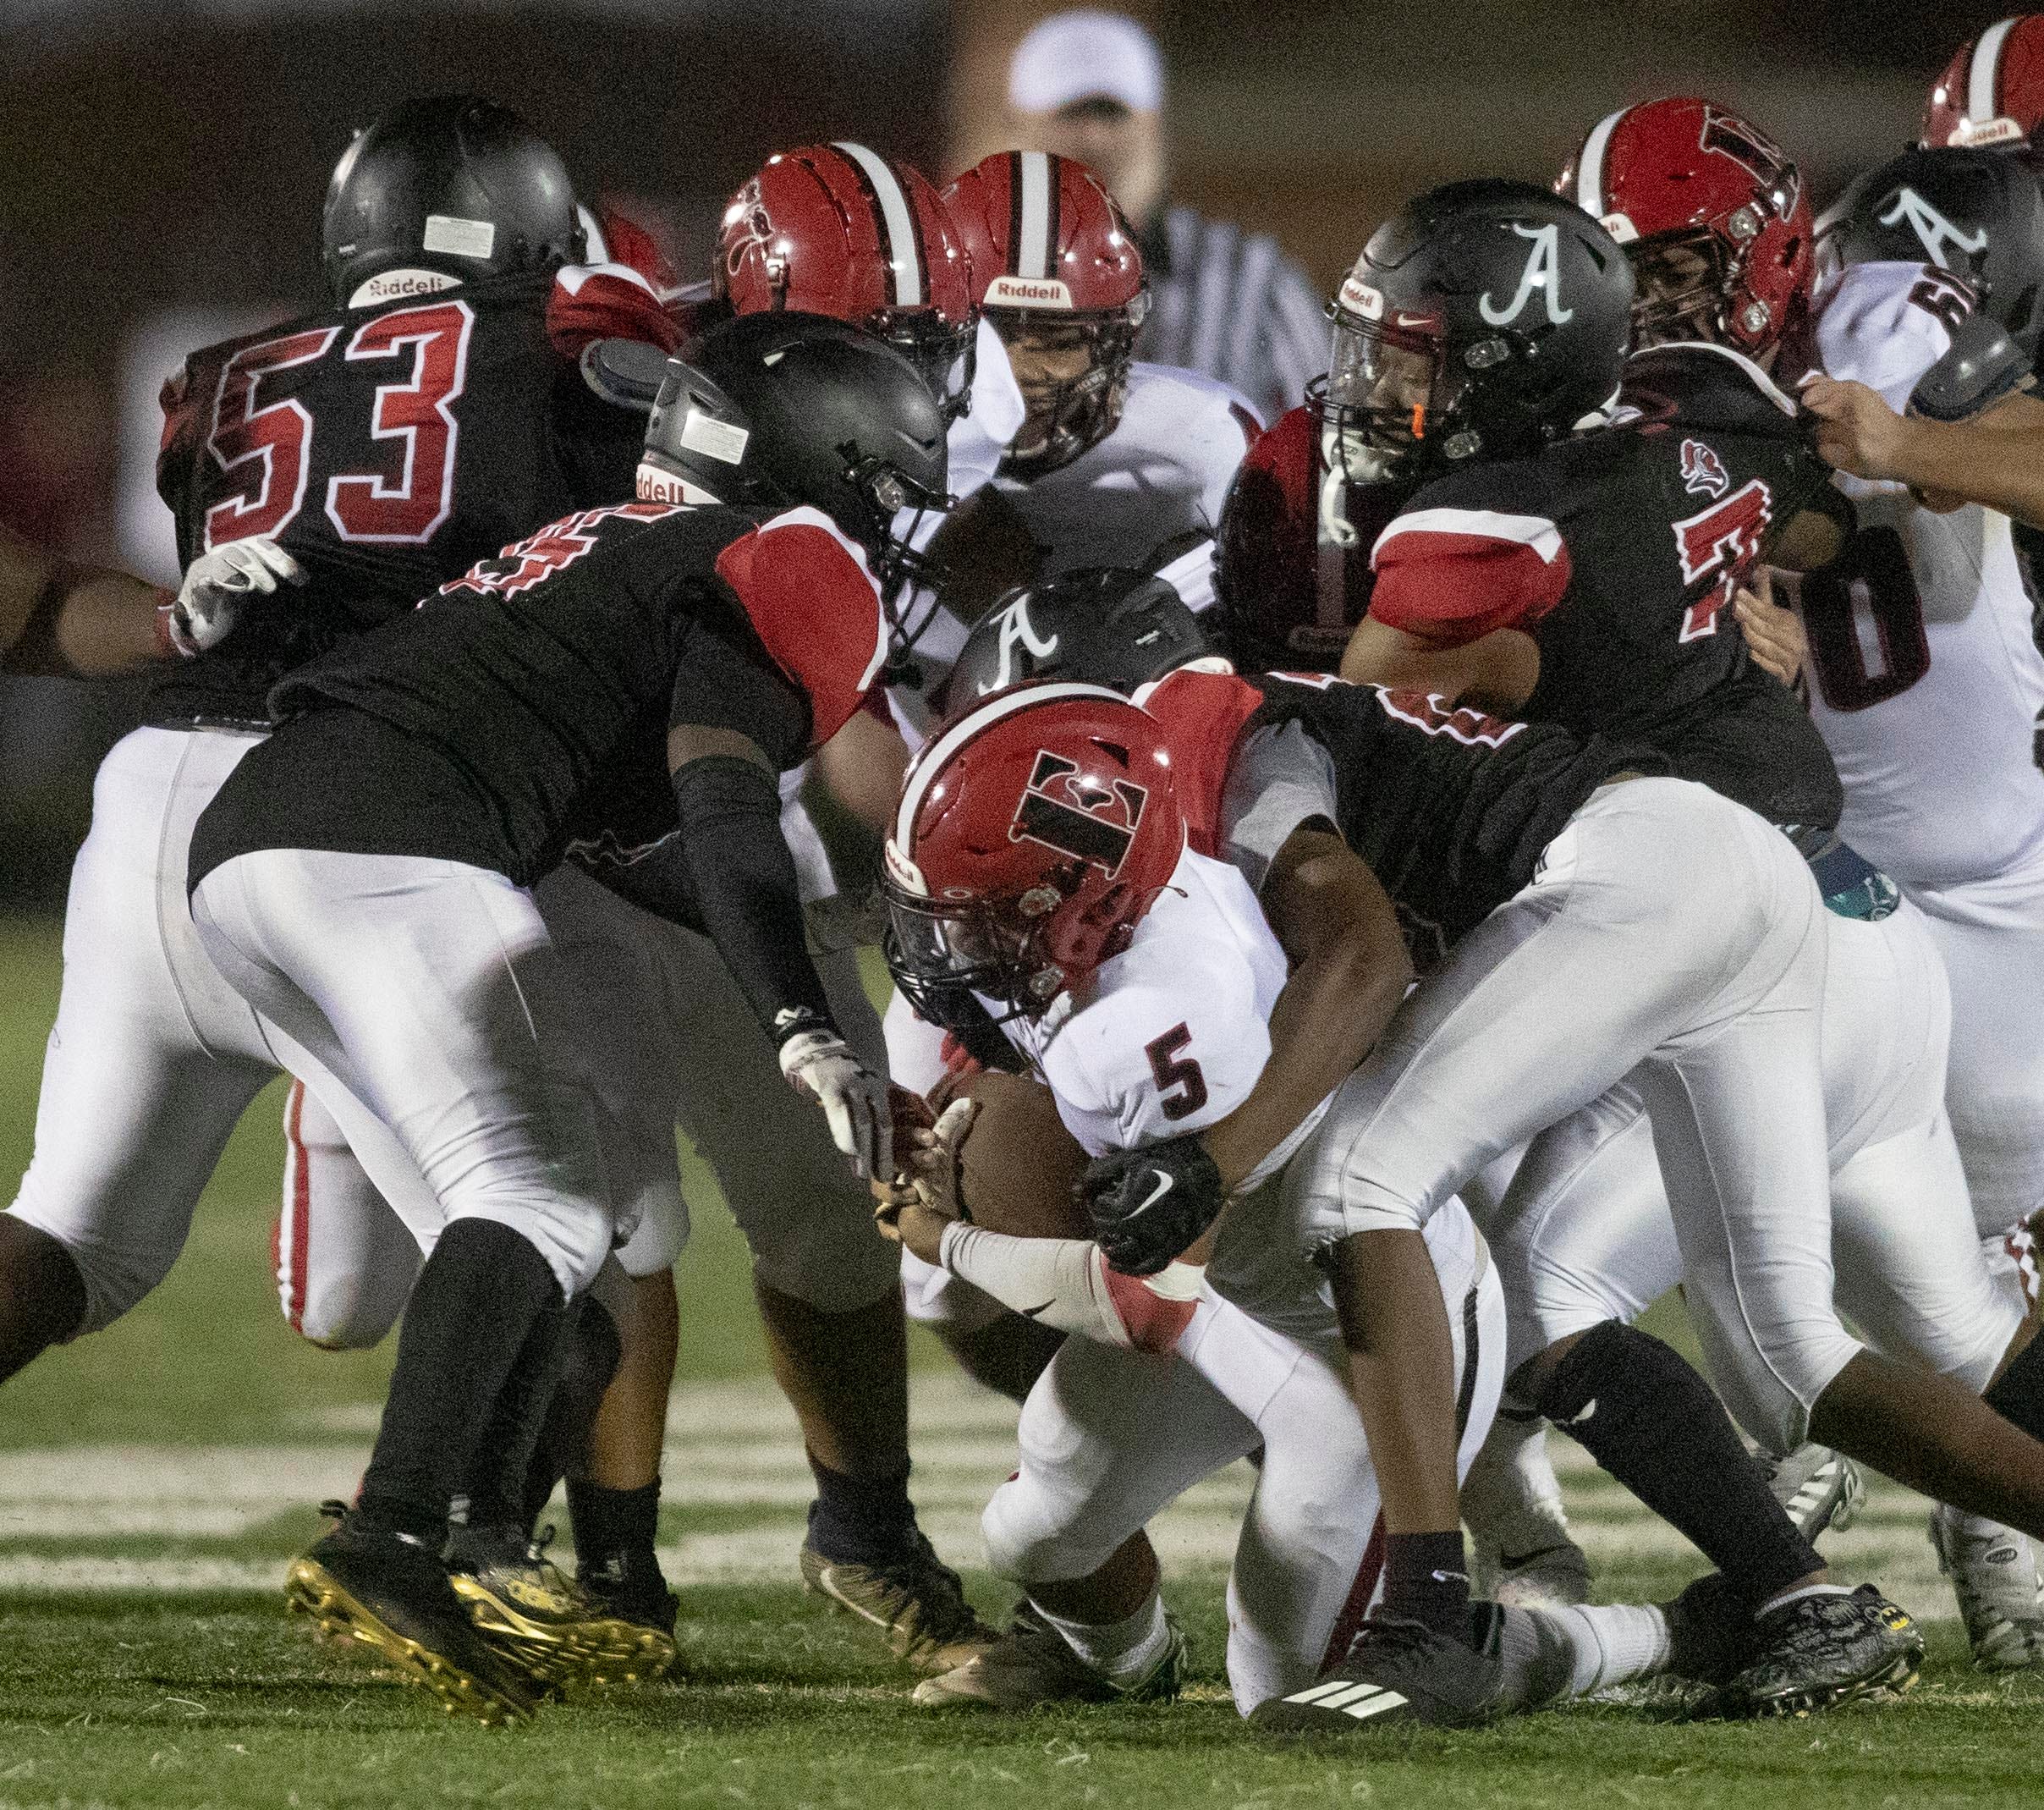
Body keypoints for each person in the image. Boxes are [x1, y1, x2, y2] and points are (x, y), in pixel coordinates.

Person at [180, 312, 947, 1720]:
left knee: (559, 1262)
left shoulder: (607, 539)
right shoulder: (791, 555)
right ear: (830, 471)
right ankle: (390, 1538)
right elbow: (725, 798)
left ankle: (476, 1547)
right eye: (891, 488)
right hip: (391, 849)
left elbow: (636, 821)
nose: (892, 528)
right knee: (538, 1205)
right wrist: (800, 1020)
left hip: (249, 845)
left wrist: (827, 934)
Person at [0, 94, 668, 1548]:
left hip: (157, 796)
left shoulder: (228, 376)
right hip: (355, 816)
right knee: (555, 1276)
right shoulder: (566, 364)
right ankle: (442, 1553)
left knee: (66, 1245)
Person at [1576, 99, 2044, 1669]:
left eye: (1684, 263)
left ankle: (1955, 1492)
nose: (1654, 300)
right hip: (1802, 883)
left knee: (1982, 1298)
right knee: (1655, 1252)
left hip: (1988, 894)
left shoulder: (1879, 316)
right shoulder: (1613, 391)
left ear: (1775, 245)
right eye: (1620, 268)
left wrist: (1905, 445)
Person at [1004, 8, 1325, 426]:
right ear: (1018, 130)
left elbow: (1322, 438)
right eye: (1071, 114)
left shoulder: (1255, 279)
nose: (1094, 137)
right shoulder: (973, 277)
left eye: (1112, 113)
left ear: (1155, 127)